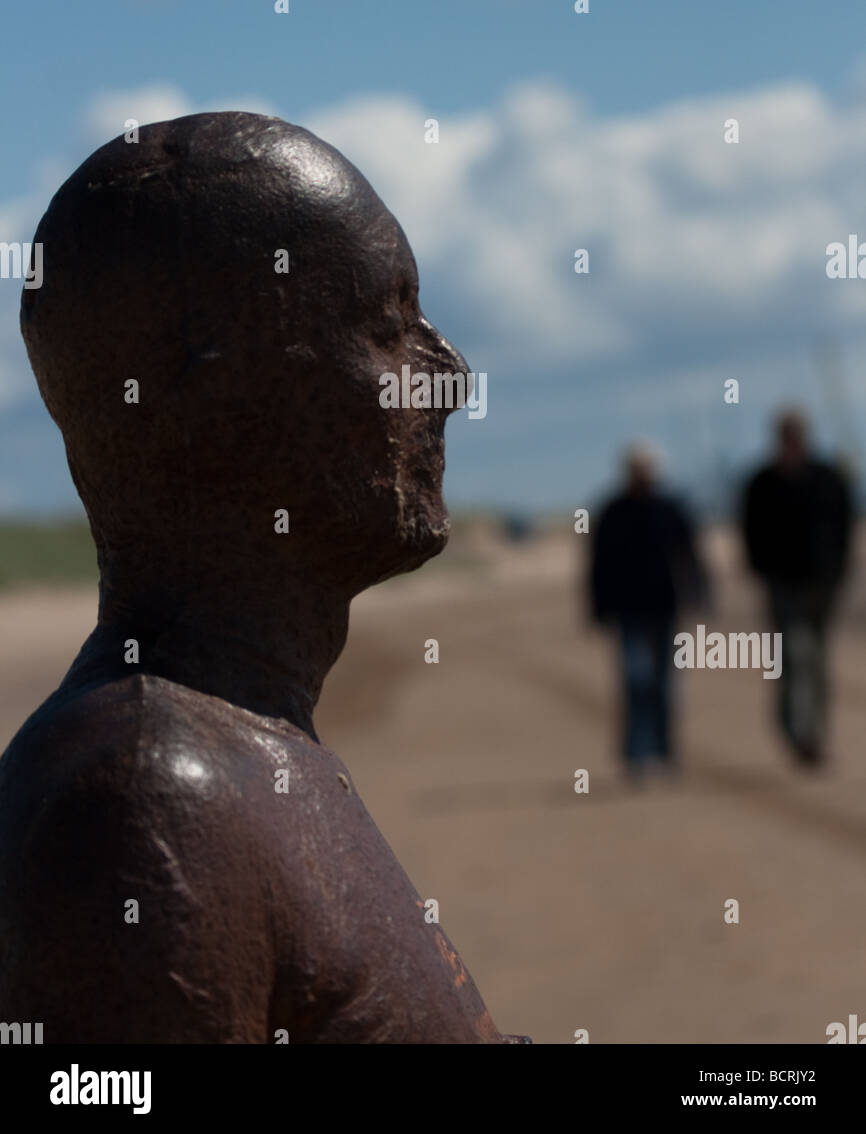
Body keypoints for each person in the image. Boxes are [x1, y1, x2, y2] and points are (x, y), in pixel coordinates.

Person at [0, 112, 528, 1044]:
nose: (449, 377)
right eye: (388, 325)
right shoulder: (150, 795)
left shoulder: (241, 743)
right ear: (219, 395)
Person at [742, 408, 853, 766]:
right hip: (783, 585)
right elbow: (751, 530)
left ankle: (813, 732)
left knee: (816, 660)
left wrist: (839, 569)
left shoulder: (827, 477)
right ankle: (800, 732)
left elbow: (843, 525)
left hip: (823, 583)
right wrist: (761, 569)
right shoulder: (763, 481)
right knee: (795, 654)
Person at [589, 443, 707, 781]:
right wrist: (597, 606)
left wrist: (698, 591)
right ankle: (638, 755)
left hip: (665, 607)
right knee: (635, 680)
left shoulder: (671, 508)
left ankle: (666, 752)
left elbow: (690, 554)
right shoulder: (613, 511)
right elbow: (599, 564)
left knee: (665, 684)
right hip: (627, 611)